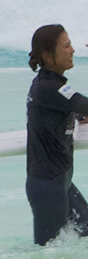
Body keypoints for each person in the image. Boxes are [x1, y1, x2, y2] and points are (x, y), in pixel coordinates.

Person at [26, 24, 88, 245]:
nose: (72, 51)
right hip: (48, 186)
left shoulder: (49, 86)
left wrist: (80, 115)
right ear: (47, 55)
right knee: (47, 255)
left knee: (85, 231)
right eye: (67, 46)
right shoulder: (51, 89)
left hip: (60, 182)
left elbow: (72, 106)